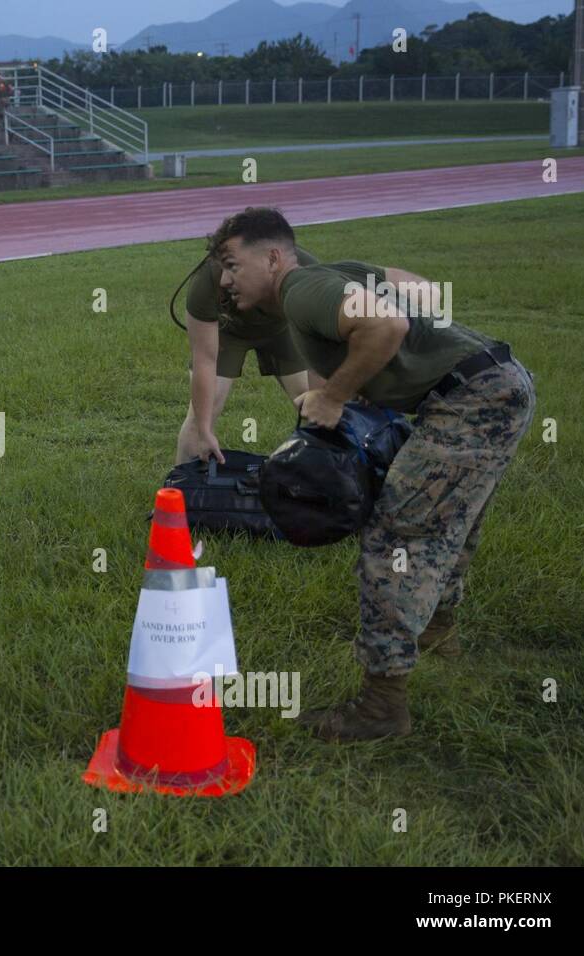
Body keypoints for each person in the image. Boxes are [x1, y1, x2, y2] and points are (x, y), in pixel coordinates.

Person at [210, 207, 536, 741]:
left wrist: (333, 397)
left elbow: (387, 324)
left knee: (395, 536)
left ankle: (382, 707)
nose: (225, 280)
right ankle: (436, 633)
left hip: (471, 401)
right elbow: (405, 303)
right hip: (498, 384)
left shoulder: (299, 288)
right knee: (451, 521)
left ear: (272, 258)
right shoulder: (333, 274)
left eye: (231, 263)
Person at [173, 244, 321, 465]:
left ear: (271, 260)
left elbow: (321, 343)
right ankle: (178, 493)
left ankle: (334, 483)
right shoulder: (207, 280)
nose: (225, 279)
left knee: (314, 404)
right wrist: (204, 429)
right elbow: (204, 358)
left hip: (283, 328)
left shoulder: (307, 271)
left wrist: (325, 396)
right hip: (228, 331)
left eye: (236, 269)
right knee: (201, 414)